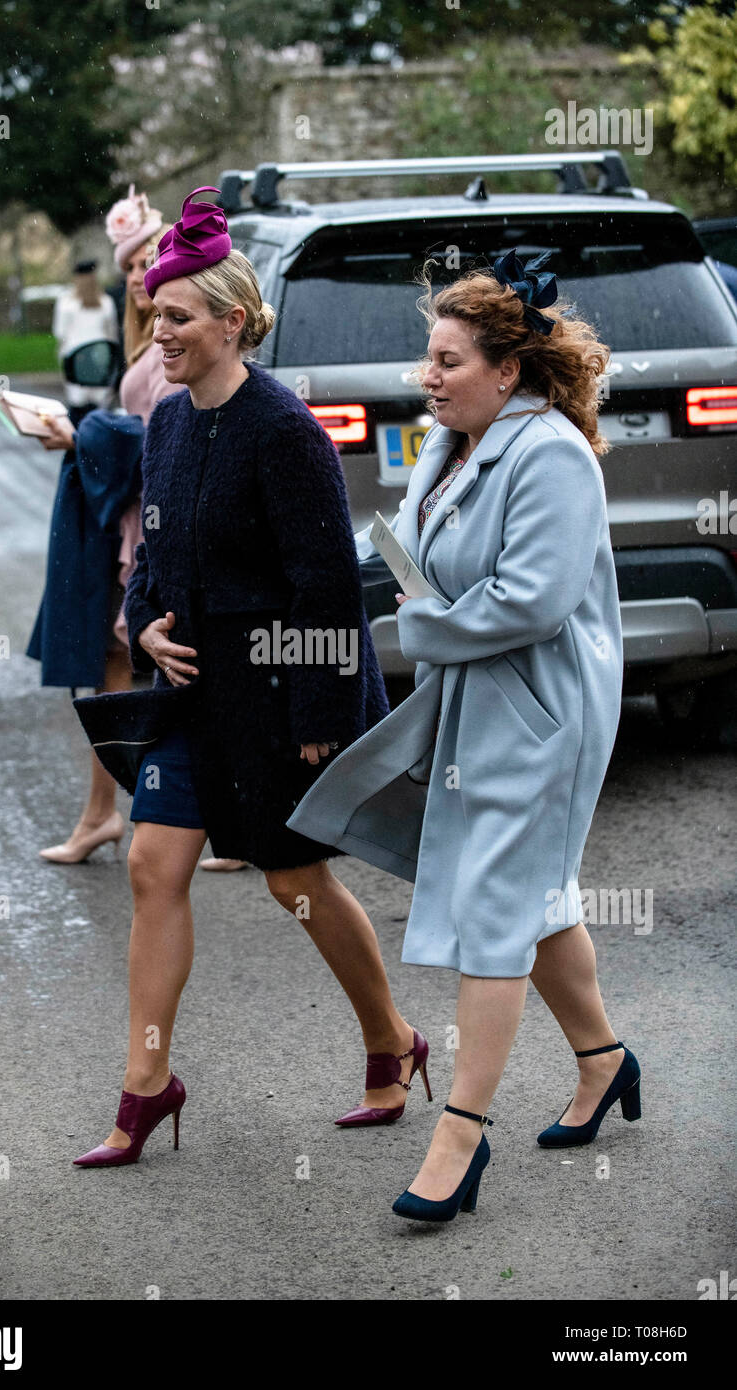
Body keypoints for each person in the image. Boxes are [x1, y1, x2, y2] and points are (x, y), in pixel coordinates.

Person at [71, 188, 430, 1167]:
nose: (158, 336)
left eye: (175, 319)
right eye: (151, 318)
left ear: (232, 320)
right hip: (189, 694)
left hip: (278, 699)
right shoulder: (174, 422)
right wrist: (142, 621)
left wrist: (321, 715)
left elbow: (328, 584)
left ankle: (390, 1038)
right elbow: (155, 552)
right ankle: (146, 1085)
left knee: (294, 882)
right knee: (153, 865)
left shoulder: (284, 431)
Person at [287, 251, 640, 1223]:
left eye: (446, 359)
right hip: (473, 700)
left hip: (542, 712)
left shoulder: (550, 454)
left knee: (492, 912)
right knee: (535, 898)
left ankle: (461, 1133)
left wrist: (421, 624)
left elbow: (531, 600)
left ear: (506, 370)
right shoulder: (450, 442)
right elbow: (398, 546)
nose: (426, 377)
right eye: (427, 357)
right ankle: (601, 1061)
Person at [29, 188, 180, 863]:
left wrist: (81, 437)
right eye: (127, 267)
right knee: (115, 659)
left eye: (150, 259)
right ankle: (101, 813)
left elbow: (167, 438)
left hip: (162, 527)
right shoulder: (148, 343)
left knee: (169, 661)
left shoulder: (173, 347)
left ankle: (224, 812)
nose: (137, 275)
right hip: (136, 522)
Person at [51, 259, 119, 423]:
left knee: (77, 408)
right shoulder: (106, 302)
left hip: (76, 357)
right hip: (100, 357)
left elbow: (59, 332)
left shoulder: (66, 303)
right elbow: (112, 333)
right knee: (99, 410)